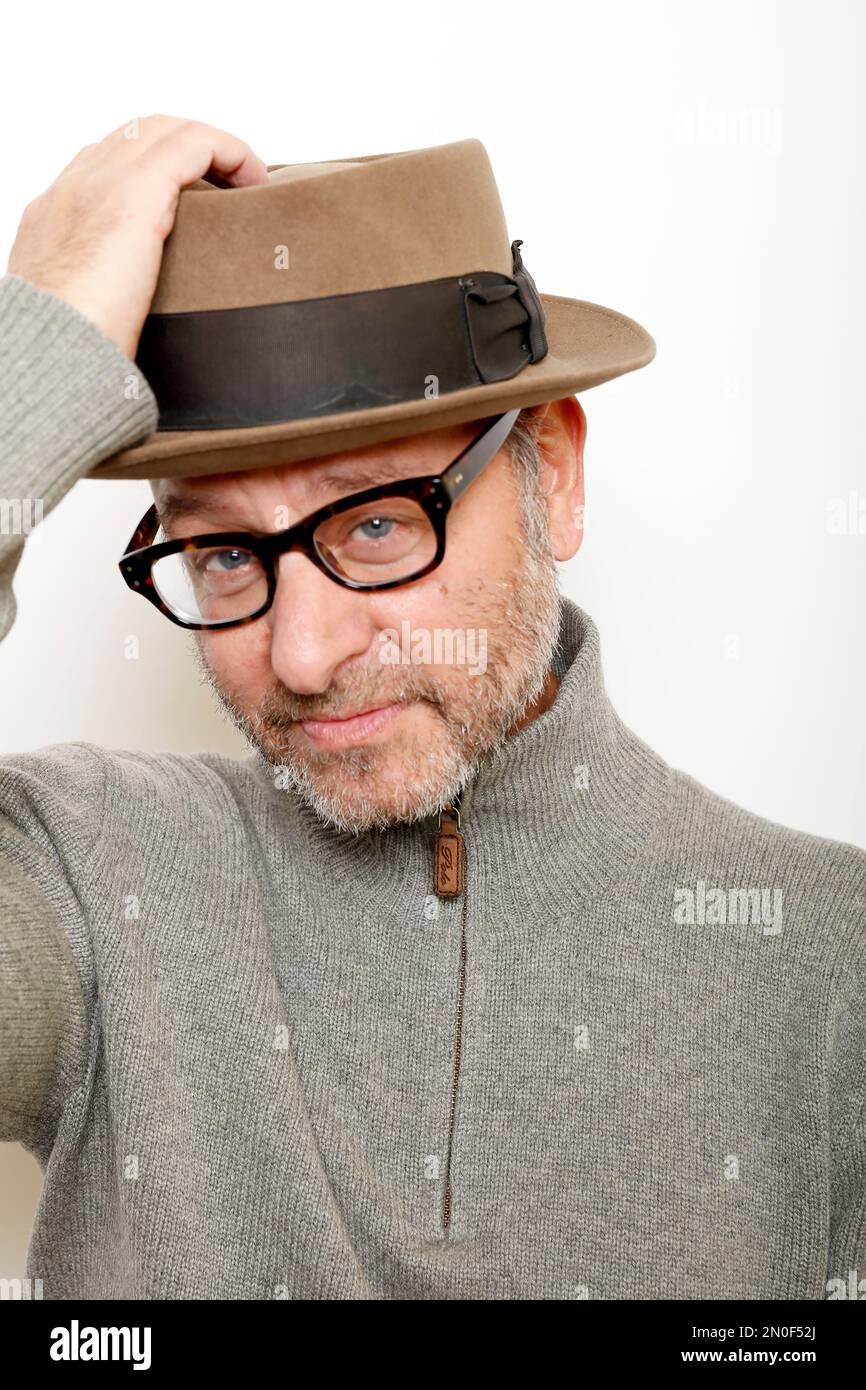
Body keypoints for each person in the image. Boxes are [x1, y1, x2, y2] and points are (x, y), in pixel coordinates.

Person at [1, 117, 863, 1301]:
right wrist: (24, 369)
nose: (301, 654)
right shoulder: (87, 884)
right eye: (220, 552)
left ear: (549, 473)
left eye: (374, 521)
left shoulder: (832, 966)